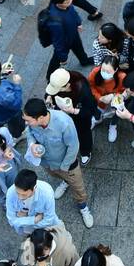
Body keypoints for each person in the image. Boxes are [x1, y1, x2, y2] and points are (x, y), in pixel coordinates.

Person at [22, 96, 94, 229]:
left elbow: (73, 146)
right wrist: (32, 144)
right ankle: (64, 181)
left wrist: (64, 167)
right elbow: (29, 133)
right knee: (56, 176)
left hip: (67, 166)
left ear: (40, 118)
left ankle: (83, 208)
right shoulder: (34, 125)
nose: (26, 123)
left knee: (78, 188)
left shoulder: (63, 123)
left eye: (28, 120)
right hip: (48, 163)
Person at [43, 0, 92, 76]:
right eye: (67, 0)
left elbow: (74, 12)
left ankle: (84, 61)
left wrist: (78, 22)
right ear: (59, 3)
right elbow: (58, 42)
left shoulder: (67, 4)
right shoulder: (55, 20)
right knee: (56, 58)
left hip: (73, 35)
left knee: (79, 49)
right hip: (64, 42)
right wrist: (63, 58)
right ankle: (50, 75)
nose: (71, 1)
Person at [5, 169, 59, 237]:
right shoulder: (11, 192)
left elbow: (49, 220)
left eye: (24, 194)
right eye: (17, 193)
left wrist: (22, 220)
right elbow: (11, 220)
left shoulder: (46, 194)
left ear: (34, 188)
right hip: (26, 229)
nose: (20, 197)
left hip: (45, 229)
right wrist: (34, 219)